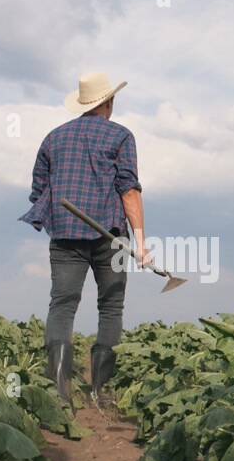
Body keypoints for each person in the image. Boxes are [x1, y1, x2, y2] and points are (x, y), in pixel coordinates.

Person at [19, 72, 149, 409]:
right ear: (109, 102)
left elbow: (38, 192)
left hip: (64, 235)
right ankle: (99, 393)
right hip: (113, 237)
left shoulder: (53, 138)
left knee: (62, 305)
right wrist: (141, 243)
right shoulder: (121, 136)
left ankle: (60, 393)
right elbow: (129, 190)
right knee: (111, 307)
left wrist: (59, 218)